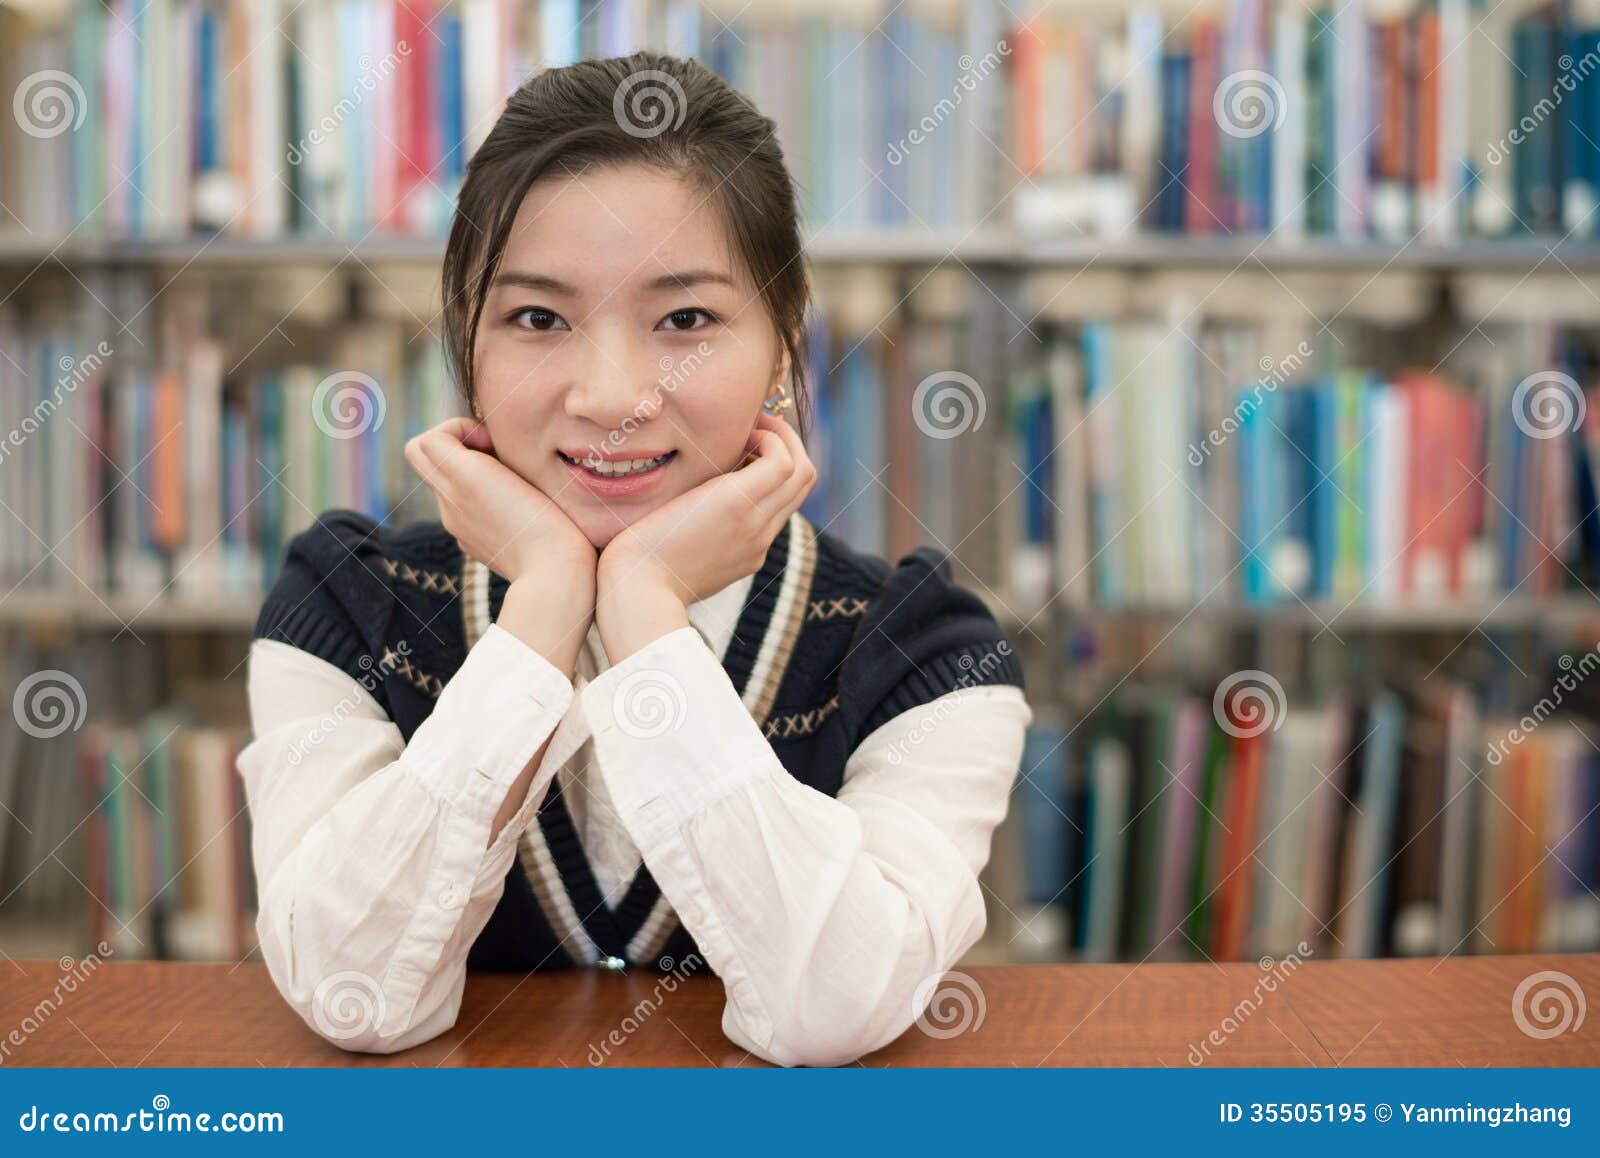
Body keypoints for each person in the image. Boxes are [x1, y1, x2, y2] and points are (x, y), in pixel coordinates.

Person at [236, 50, 1032, 1067]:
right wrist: (547, 606)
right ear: (463, 344)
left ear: (786, 346)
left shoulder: (925, 652)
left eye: (686, 319)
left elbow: (831, 1011)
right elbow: (353, 996)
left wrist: (644, 607)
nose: (611, 396)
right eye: (537, 318)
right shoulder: (346, 607)